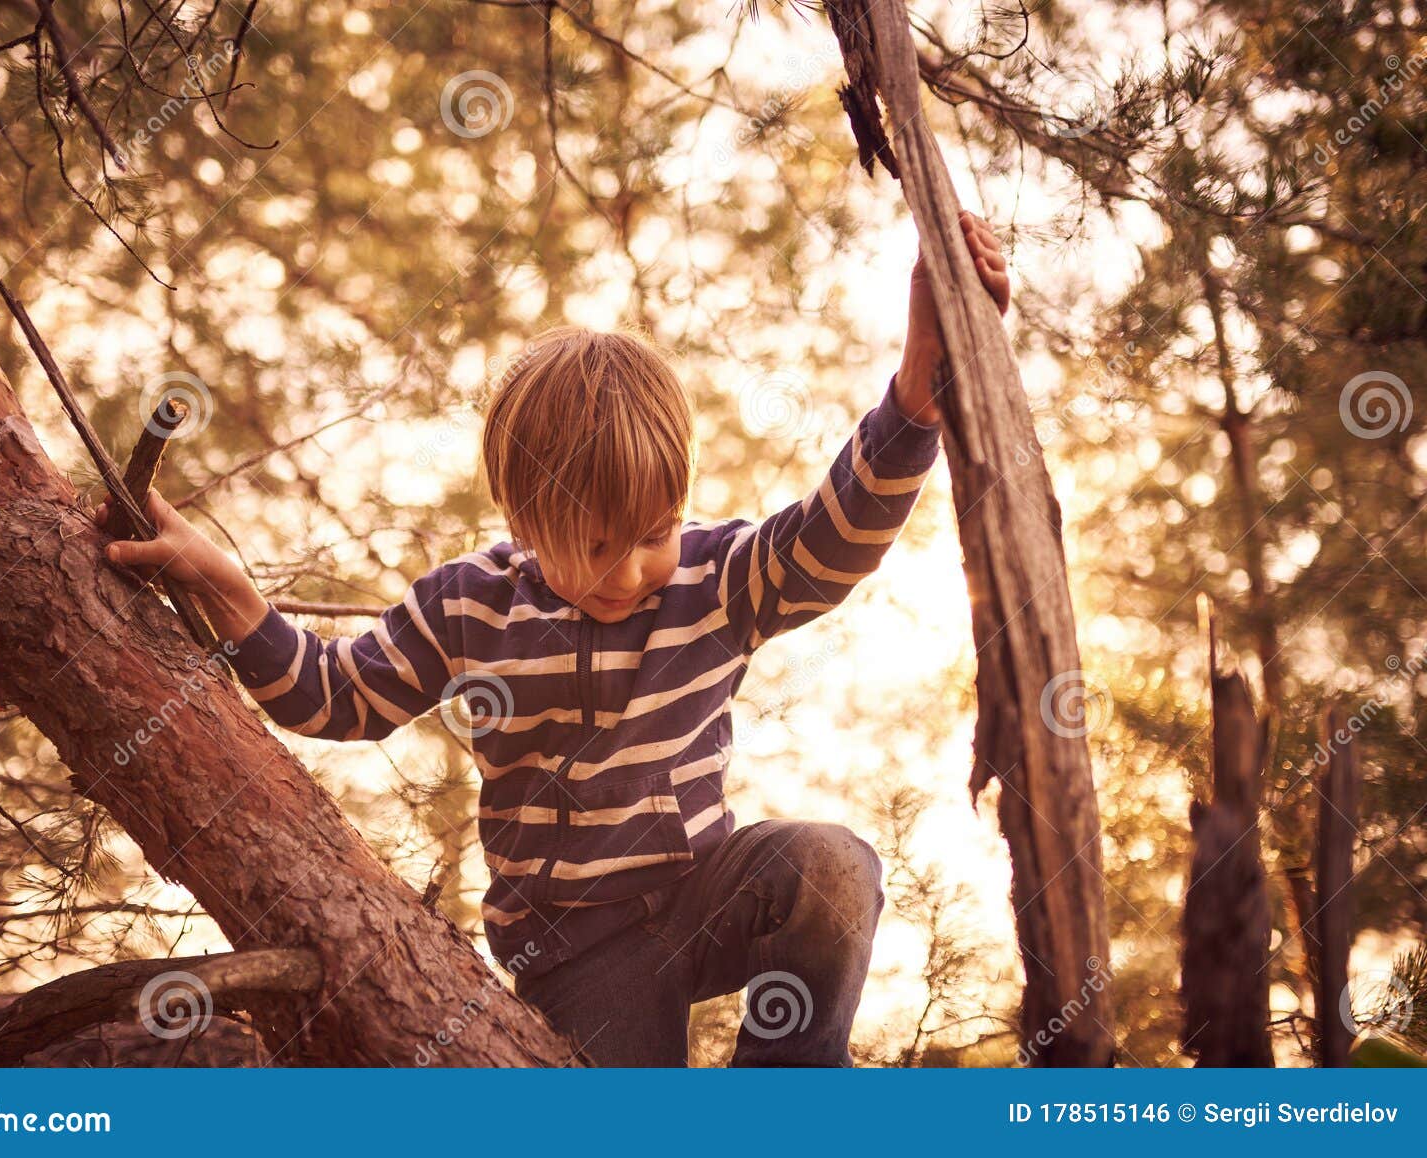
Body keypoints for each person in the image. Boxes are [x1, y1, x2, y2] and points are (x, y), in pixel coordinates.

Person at [98, 211, 1011, 1066]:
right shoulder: (471, 607)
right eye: (597, 548)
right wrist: (216, 580)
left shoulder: (714, 578)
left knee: (830, 866)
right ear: (527, 524)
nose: (629, 574)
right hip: (578, 946)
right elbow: (333, 696)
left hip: (705, 890)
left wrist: (916, 395)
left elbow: (829, 539)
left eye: (654, 534)